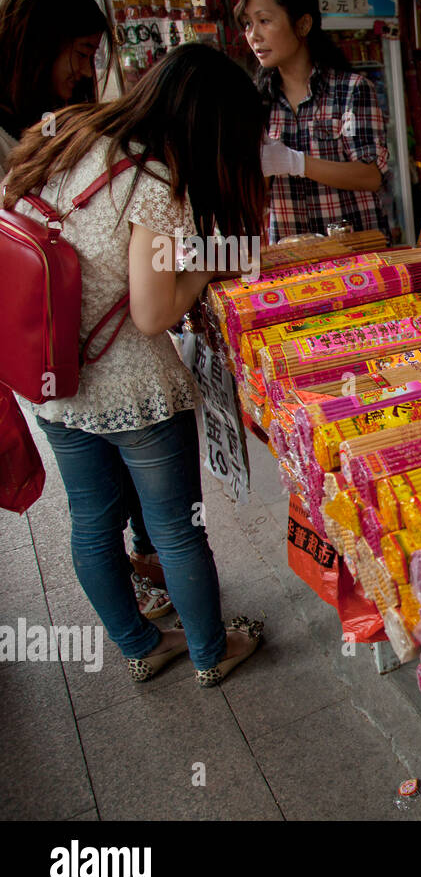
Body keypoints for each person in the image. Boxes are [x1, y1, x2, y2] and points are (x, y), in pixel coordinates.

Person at [3, 43, 267, 686]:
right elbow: (153, 314)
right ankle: (210, 650)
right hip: (129, 387)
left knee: (92, 521)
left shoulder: (70, 130)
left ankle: (139, 645)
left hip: (51, 377)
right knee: (175, 526)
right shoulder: (151, 182)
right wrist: (204, 265)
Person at [0, 0, 169, 618]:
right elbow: (146, 298)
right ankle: (170, 612)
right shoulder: (28, 133)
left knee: (99, 503)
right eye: (77, 52)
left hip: (71, 354)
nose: (84, 71)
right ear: (35, 45)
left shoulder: (47, 120)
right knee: (118, 498)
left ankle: (140, 625)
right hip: (53, 349)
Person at [236, 0, 390, 243]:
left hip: (356, 256)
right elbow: (254, 198)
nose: (253, 35)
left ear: (303, 25)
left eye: (264, 21)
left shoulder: (351, 90)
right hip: (291, 260)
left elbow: (371, 176)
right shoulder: (255, 101)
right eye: (247, 24)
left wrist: (295, 162)